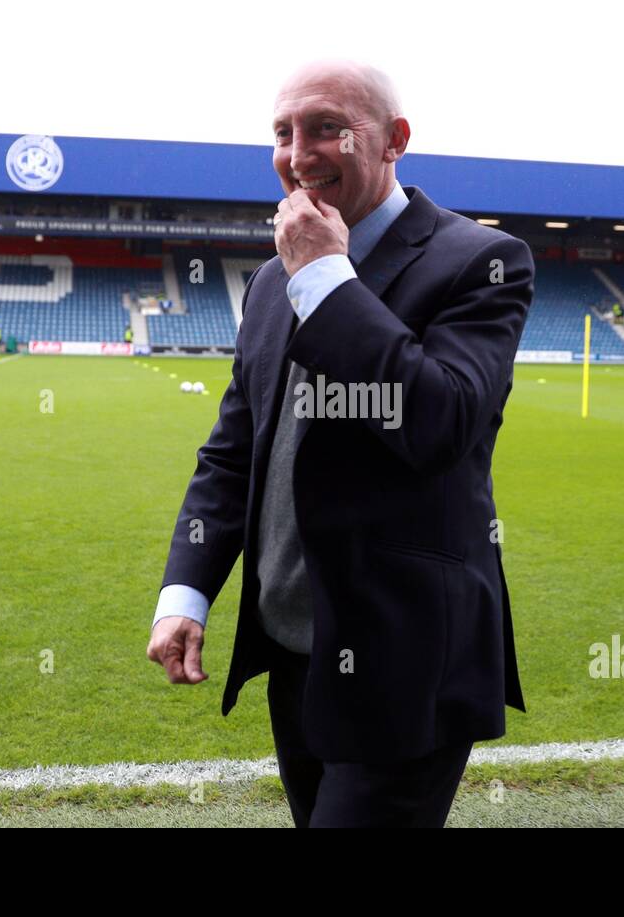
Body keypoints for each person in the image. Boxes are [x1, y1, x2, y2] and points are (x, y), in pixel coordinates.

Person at [146, 59, 533, 827]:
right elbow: (232, 450)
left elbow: (438, 421)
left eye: (327, 128)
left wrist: (326, 274)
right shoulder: (267, 283)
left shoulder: (480, 260)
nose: (297, 153)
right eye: (283, 133)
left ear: (394, 140)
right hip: (295, 648)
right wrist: (186, 589)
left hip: (406, 652)